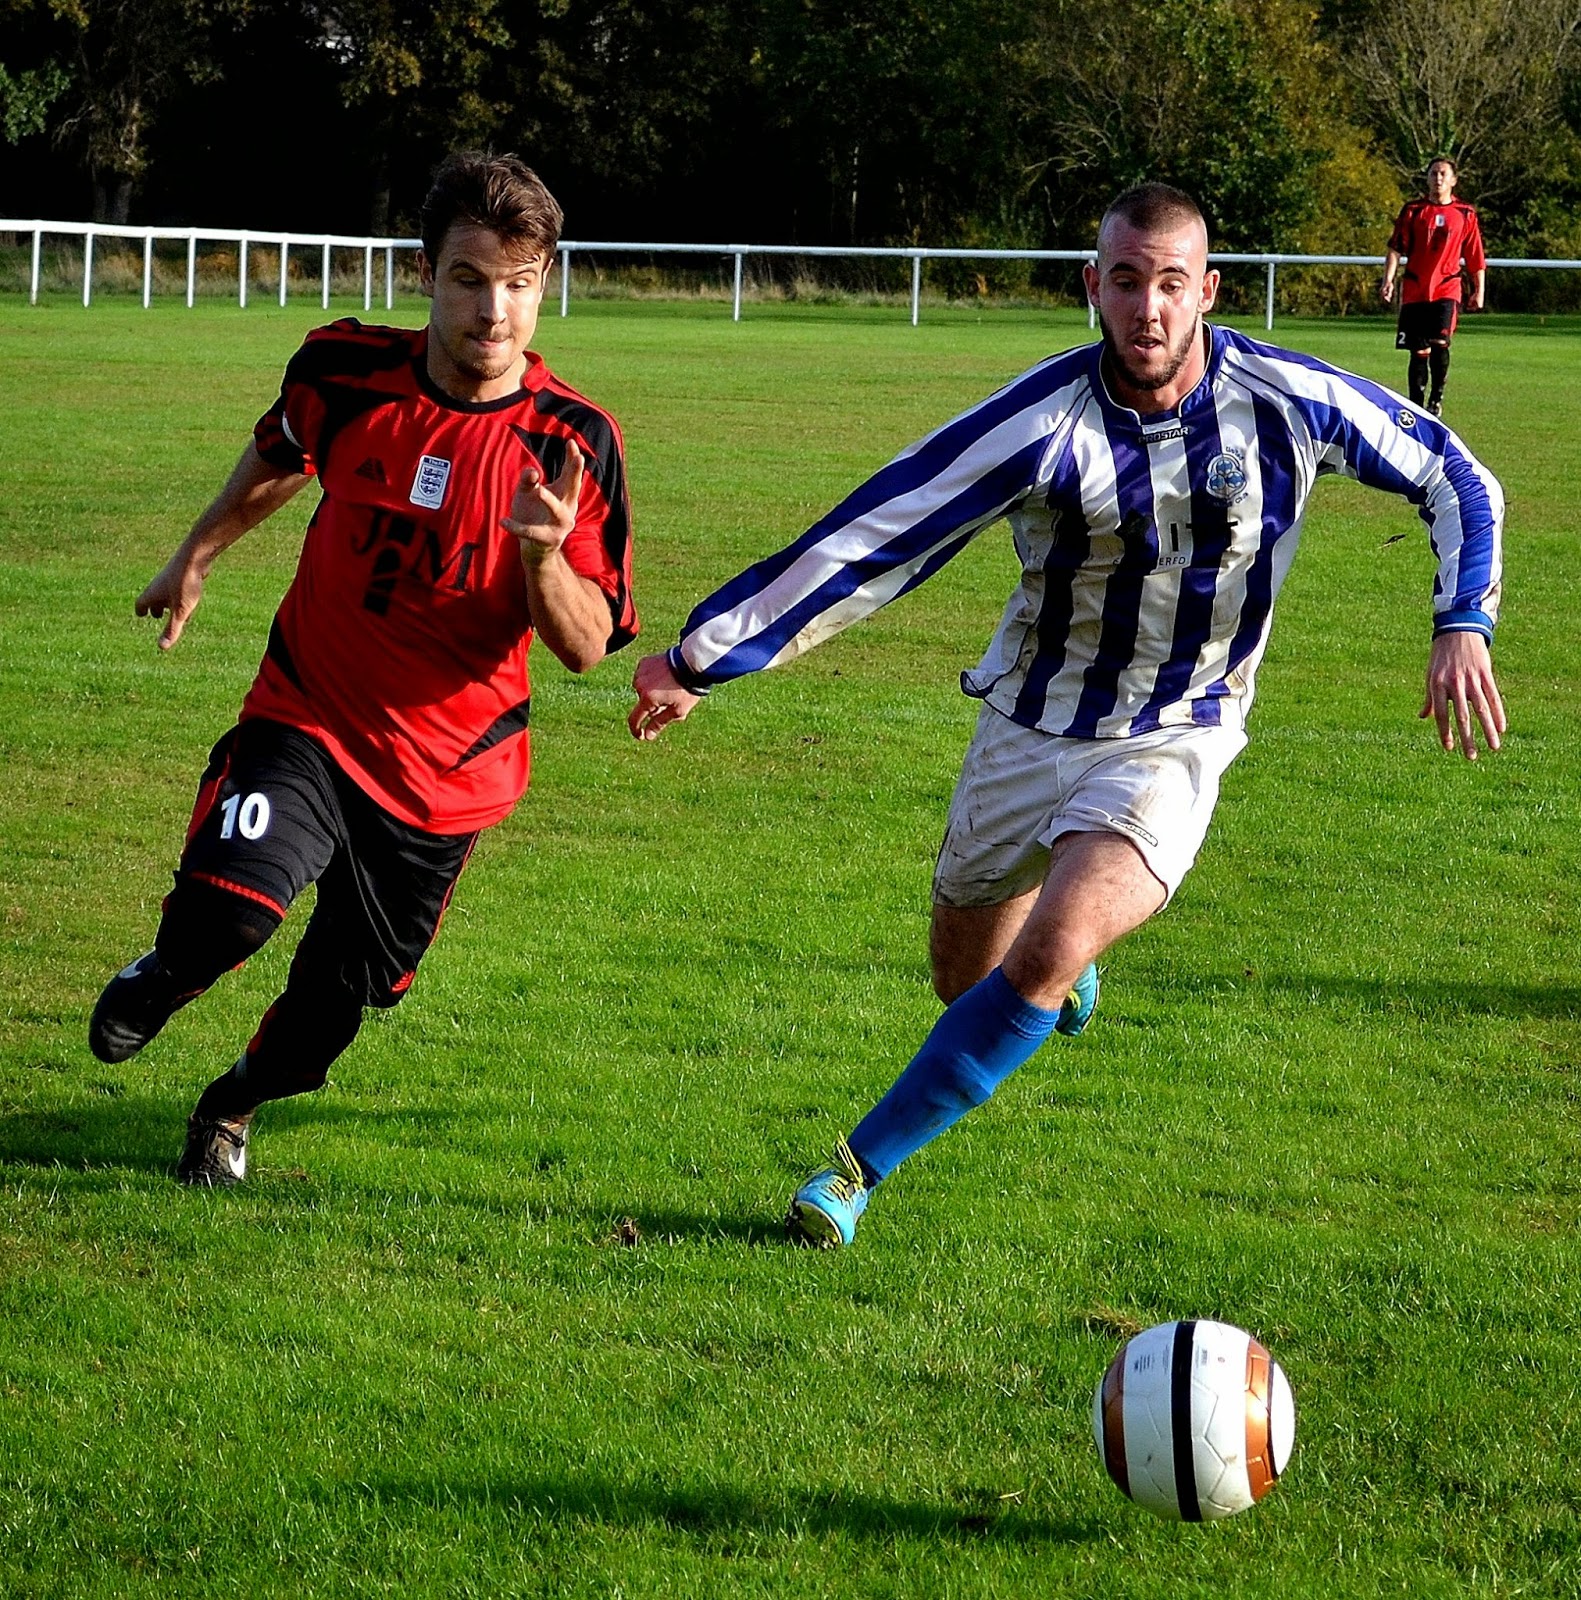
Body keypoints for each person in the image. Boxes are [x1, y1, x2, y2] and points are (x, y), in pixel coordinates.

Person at [628, 181, 1505, 1249]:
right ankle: (1058, 971)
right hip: (1031, 724)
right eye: (1127, 281)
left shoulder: (1286, 399)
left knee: (1043, 950)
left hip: (1182, 729)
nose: (1149, 309)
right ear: (1094, 285)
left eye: (1172, 285)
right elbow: (876, 538)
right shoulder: (1041, 423)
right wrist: (700, 658)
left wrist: (1463, 616)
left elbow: (1455, 472)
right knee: (967, 978)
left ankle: (852, 1171)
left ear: (1208, 292)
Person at [89, 150, 638, 1186]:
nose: (494, 310)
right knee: (228, 914)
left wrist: (539, 550)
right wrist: (196, 554)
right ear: (423, 273)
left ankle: (231, 1105)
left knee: (331, 1013)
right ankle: (166, 969)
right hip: (312, 709)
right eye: (470, 278)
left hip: (447, 773)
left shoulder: (574, 443)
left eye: (519, 284)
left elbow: (580, 646)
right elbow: (281, 455)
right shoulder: (343, 373)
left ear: (546, 285)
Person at [1381, 156, 1486, 417]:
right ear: (1427, 179)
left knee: (1440, 341)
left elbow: (1475, 256)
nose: (1437, 179)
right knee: (1418, 350)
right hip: (1416, 288)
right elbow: (1395, 247)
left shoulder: (1465, 214)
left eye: (1442, 174)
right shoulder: (1413, 211)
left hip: (1447, 287)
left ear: (1453, 180)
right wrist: (1388, 280)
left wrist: (1479, 289)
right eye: (1433, 174)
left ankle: (1436, 399)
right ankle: (1415, 406)